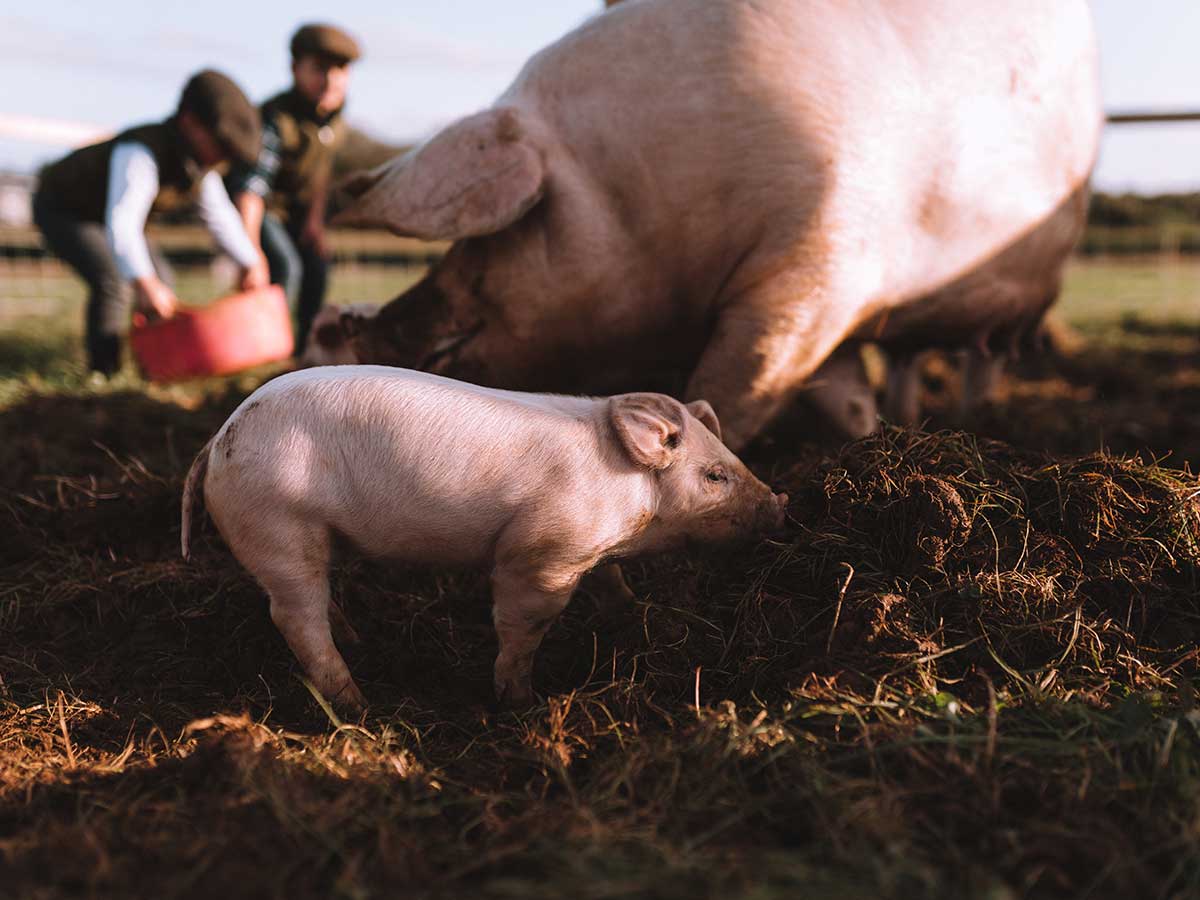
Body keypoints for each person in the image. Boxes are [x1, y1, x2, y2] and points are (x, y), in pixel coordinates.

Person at [34, 70, 268, 376]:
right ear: (190, 123)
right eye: (220, 144)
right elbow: (123, 222)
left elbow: (219, 216)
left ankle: (156, 366)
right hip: (66, 210)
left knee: (163, 281)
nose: (223, 156)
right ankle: (104, 374)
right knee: (114, 283)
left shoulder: (199, 167)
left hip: (111, 219)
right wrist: (143, 282)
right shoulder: (141, 151)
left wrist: (250, 261)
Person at [229, 23, 361, 356]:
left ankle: (300, 352)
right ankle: (264, 350)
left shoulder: (334, 121)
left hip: (298, 213)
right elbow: (252, 187)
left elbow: (321, 175)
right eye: (319, 69)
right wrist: (250, 248)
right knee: (286, 267)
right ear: (294, 69)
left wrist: (315, 224)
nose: (331, 80)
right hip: (262, 210)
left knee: (316, 266)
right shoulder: (276, 119)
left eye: (341, 70)